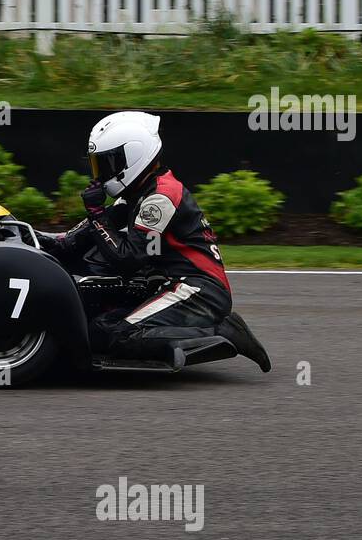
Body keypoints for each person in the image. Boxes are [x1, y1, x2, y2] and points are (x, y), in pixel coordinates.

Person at [37, 111, 270, 371]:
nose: (100, 174)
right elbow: (70, 241)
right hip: (162, 284)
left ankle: (222, 329)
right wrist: (33, 240)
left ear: (132, 156)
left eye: (107, 164)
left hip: (196, 292)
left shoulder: (160, 198)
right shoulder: (137, 192)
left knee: (114, 335)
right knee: (96, 326)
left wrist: (96, 213)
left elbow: (128, 258)